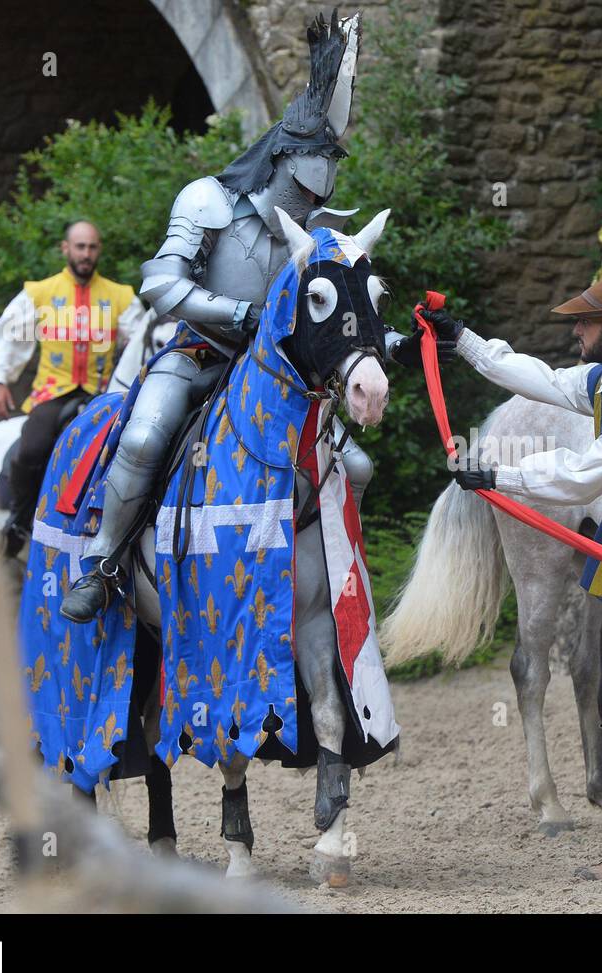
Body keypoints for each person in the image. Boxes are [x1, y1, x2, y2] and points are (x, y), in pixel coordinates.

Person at [58, 11, 423, 623]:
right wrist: (241, 312)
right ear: (287, 157)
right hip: (202, 353)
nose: (322, 186)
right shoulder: (208, 201)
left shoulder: (322, 232)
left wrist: (393, 341)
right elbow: (162, 284)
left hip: (281, 378)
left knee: (354, 465)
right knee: (146, 436)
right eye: (316, 166)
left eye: (330, 168)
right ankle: (103, 562)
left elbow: (340, 318)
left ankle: (332, 578)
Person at [417, 273, 602, 882]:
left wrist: (502, 476)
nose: (575, 331)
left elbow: (586, 475)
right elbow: (537, 377)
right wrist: (464, 342)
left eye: (584, 323)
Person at [0, 219, 145, 554]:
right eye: (80, 247)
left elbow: (144, 342)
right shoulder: (40, 293)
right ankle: (19, 519)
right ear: (66, 249)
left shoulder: (120, 297)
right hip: (53, 394)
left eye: (92, 247)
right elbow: (7, 338)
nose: (86, 254)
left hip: (103, 397)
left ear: (99, 251)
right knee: (31, 448)